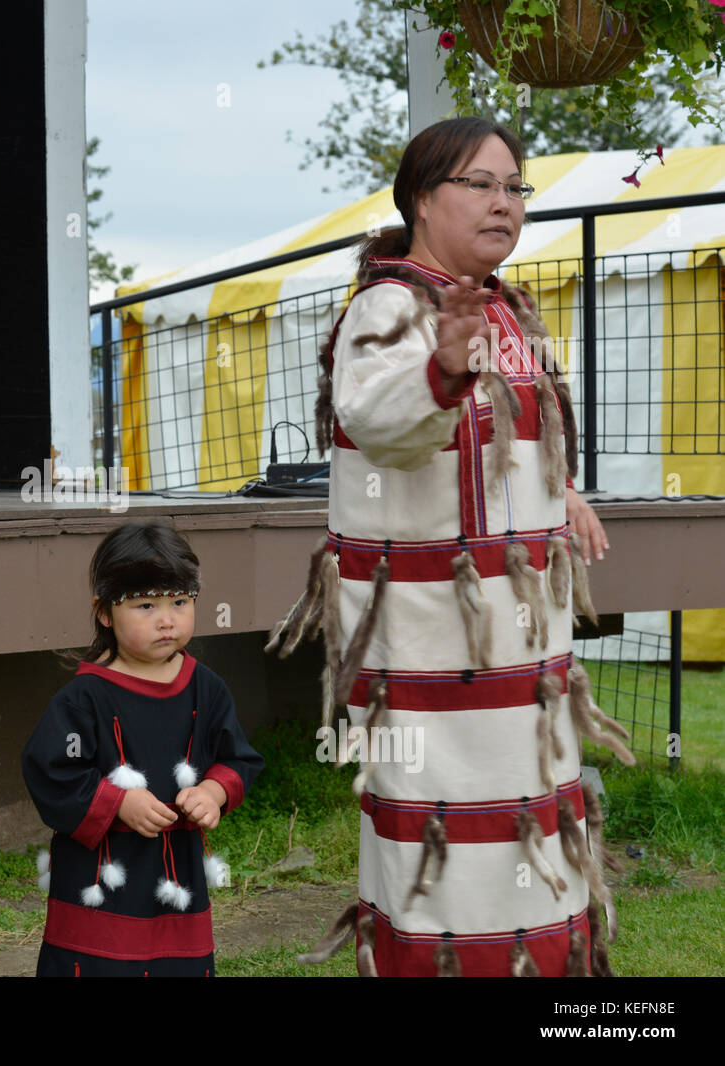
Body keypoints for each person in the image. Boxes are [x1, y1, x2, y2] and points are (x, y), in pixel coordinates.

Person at [267, 116, 627, 977]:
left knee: (532, 816)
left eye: (516, 188)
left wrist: (560, 491)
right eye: (481, 185)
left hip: (522, 640)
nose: (504, 205)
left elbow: (512, 443)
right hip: (428, 642)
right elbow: (375, 420)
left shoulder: (507, 307)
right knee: (439, 831)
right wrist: (441, 369)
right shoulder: (386, 306)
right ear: (423, 199)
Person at [21, 522, 263, 976]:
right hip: (101, 875)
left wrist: (214, 791)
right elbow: (49, 770)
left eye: (179, 602)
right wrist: (117, 803)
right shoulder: (85, 698)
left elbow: (238, 758)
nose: (167, 619)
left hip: (178, 873)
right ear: (105, 612)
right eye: (146, 604)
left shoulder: (206, 689)